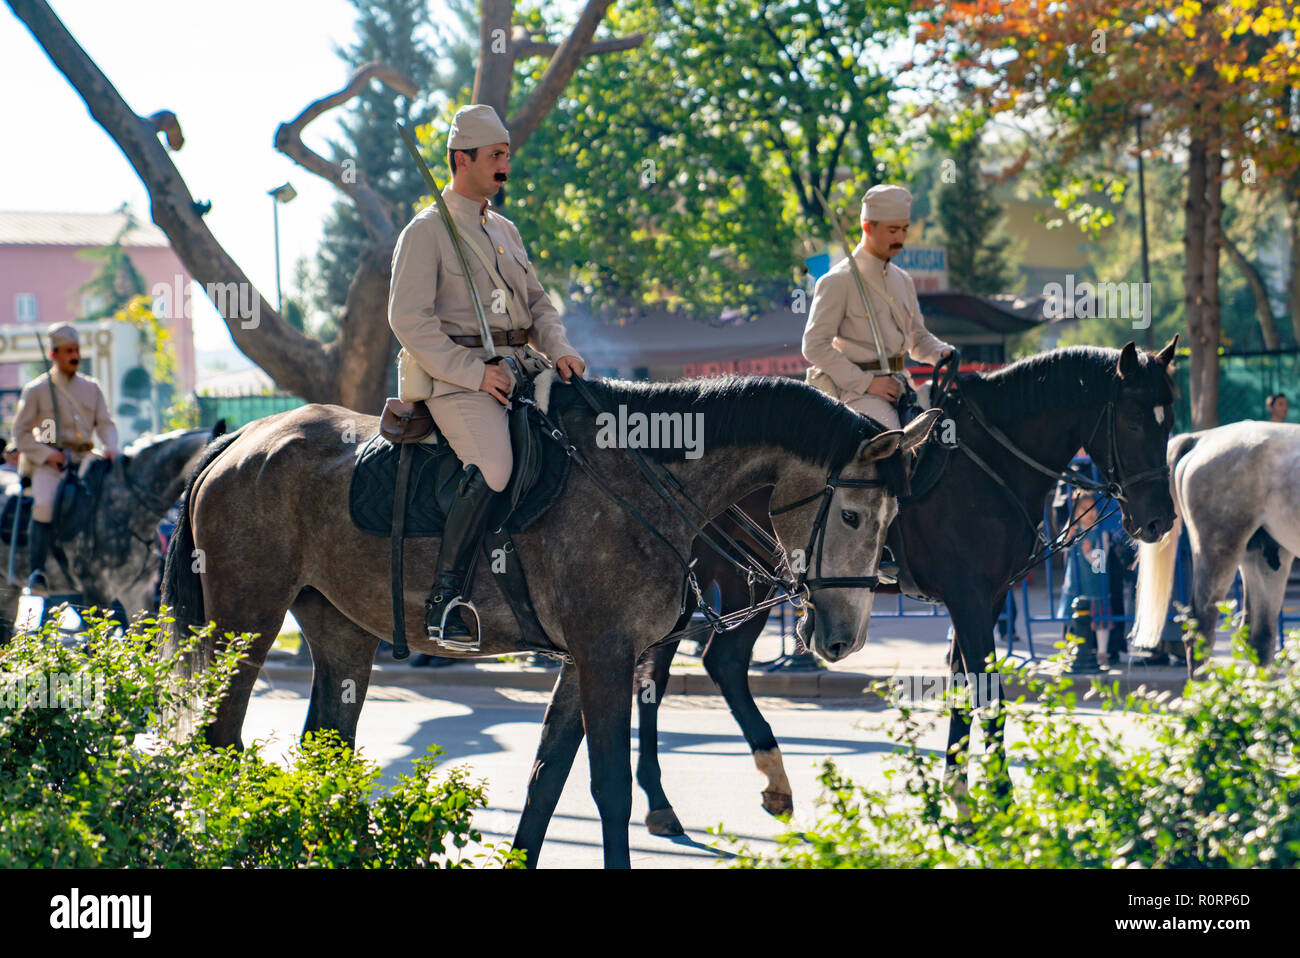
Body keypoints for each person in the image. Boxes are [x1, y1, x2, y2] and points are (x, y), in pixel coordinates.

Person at [388, 104, 586, 651]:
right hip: (455, 379)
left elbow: (539, 304)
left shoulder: (505, 228)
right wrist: (474, 375)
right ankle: (444, 599)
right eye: (495, 156)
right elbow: (409, 321)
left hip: (524, 368)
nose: (505, 164)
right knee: (494, 466)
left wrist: (561, 348)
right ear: (461, 159)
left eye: (506, 154)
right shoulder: (425, 231)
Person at [802, 184, 954, 429]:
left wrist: (941, 352)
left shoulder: (903, 280)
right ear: (867, 227)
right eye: (892, 230)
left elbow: (916, 339)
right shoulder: (837, 281)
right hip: (858, 396)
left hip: (902, 386)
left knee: (954, 423)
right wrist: (866, 383)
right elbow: (814, 345)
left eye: (904, 230)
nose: (900, 238)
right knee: (892, 446)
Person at [10, 323, 120, 592]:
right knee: (44, 504)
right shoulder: (36, 390)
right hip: (51, 462)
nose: (74, 356)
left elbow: (105, 423)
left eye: (77, 350)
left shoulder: (92, 388)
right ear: (54, 354)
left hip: (86, 458)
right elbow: (21, 433)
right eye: (68, 351)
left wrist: (111, 446)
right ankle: (38, 572)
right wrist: (47, 454)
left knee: (115, 497)